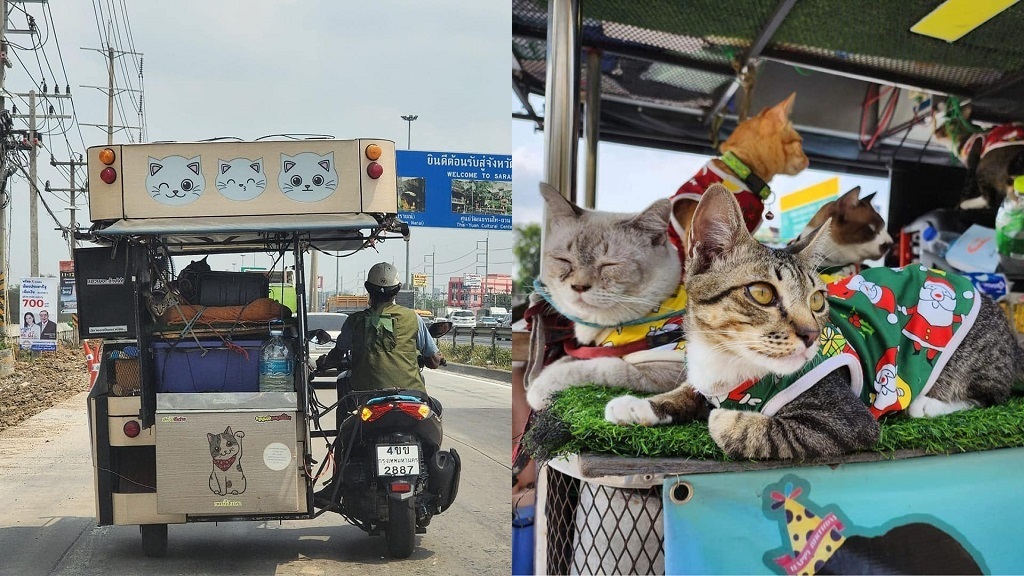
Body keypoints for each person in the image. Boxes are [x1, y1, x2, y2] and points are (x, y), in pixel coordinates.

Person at [320, 262, 443, 393]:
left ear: (367, 288)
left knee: (345, 407)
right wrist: (439, 359)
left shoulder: (354, 321)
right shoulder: (413, 318)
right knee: (436, 408)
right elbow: (433, 361)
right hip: (410, 392)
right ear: (397, 289)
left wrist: (324, 363)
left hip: (364, 395)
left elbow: (337, 355)